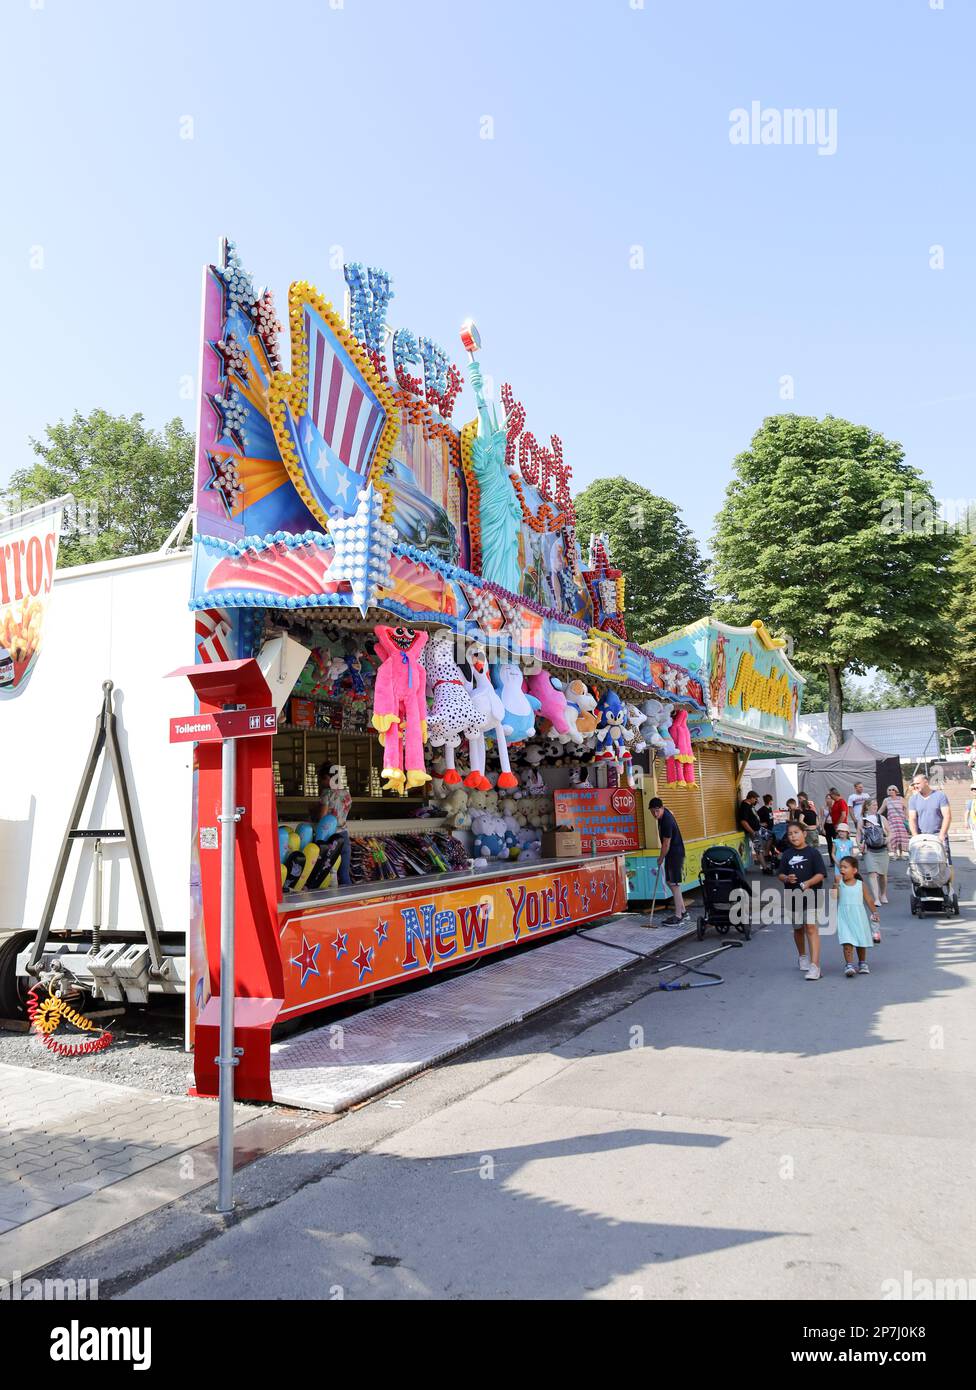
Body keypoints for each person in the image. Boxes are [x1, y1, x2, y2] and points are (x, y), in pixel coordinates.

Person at [777, 820, 828, 980]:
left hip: (812, 895)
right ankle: (802, 956)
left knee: (811, 928)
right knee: (798, 928)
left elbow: (821, 874)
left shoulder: (813, 853)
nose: (793, 836)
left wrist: (808, 883)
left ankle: (815, 966)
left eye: (796, 832)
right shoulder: (787, 854)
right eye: (790, 834)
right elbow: (780, 874)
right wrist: (786, 878)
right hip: (793, 897)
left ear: (804, 834)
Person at [835, 856, 880, 976]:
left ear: (854, 870)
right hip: (844, 917)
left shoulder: (860, 884)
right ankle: (849, 964)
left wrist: (874, 912)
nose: (842, 869)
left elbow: (869, 900)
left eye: (845, 867)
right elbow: (834, 897)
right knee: (846, 941)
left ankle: (862, 962)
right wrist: (836, 884)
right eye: (841, 867)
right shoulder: (840, 883)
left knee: (861, 941)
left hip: (858, 916)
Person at [648, 796, 687, 925]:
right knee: (671, 883)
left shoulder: (666, 821)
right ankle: (683, 911)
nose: (655, 813)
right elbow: (670, 811)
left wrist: (660, 858)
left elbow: (666, 844)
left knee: (673, 883)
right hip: (673, 853)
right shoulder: (664, 814)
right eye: (652, 811)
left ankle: (678, 916)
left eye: (657, 810)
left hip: (674, 853)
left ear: (662, 809)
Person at [908, 773, 952, 857]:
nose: (915, 786)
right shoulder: (913, 799)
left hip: (938, 835)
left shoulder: (940, 796)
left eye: (918, 783)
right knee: (922, 865)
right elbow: (912, 818)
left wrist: (942, 835)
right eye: (914, 784)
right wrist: (915, 836)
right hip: (922, 836)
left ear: (926, 782)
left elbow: (947, 816)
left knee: (943, 864)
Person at [857, 797, 890, 906]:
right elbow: (858, 835)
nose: (876, 807)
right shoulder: (862, 820)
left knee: (882, 874)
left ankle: (883, 894)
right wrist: (859, 844)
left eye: (876, 805)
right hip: (869, 850)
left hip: (882, 849)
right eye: (873, 805)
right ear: (867, 807)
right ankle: (876, 898)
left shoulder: (882, 818)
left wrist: (888, 840)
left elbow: (891, 833)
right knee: (872, 873)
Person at [879, 784, 910, 859]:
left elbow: (906, 808)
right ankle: (895, 854)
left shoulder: (901, 799)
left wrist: (907, 817)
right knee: (894, 837)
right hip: (892, 821)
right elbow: (881, 809)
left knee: (901, 837)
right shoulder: (886, 800)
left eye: (892, 789)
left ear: (896, 791)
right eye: (889, 790)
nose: (890, 791)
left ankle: (901, 854)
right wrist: (875, 816)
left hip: (900, 821)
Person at [738, 790, 761, 869]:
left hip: (757, 829)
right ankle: (764, 867)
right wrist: (752, 831)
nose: (756, 801)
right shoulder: (745, 806)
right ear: (751, 798)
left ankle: (764, 861)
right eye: (755, 799)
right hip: (753, 831)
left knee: (770, 837)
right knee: (758, 848)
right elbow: (743, 821)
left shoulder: (750, 805)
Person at [966, 784, 976, 853]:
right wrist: (966, 822)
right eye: (973, 790)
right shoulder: (970, 802)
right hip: (973, 824)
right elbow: (967, 812)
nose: (974, 791)